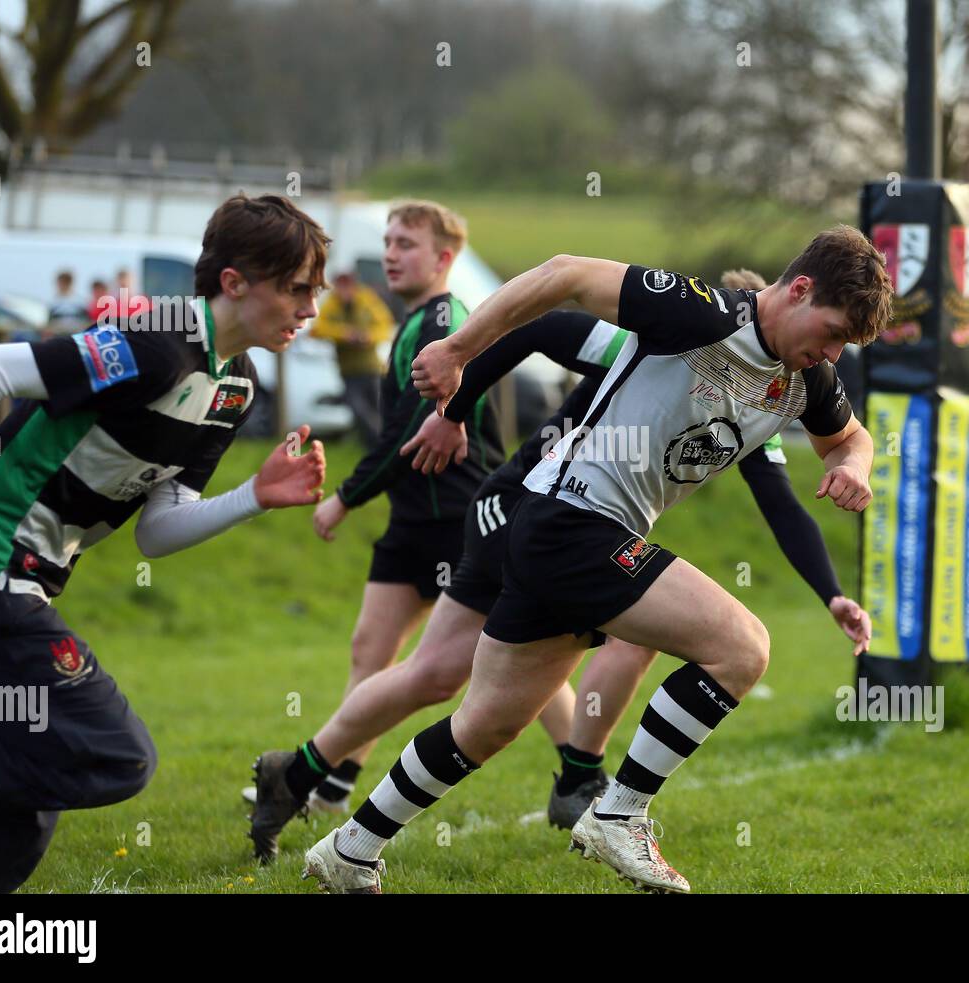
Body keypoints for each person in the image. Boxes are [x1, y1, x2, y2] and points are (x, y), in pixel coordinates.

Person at [298, 224, 892, 894]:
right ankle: (620, 813)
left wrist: (856, 466)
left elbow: (850, 437)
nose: (832, 351)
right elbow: (565, 271)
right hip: (571, 521)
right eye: (834, 330)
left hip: (564, 535)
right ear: (801, 289)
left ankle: (351, 847)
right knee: (742, 645)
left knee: (482, 726)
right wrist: (460, 350)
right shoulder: (699, 312)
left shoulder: (805, 378)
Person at [0, 193, 331, 893]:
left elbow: (156, 531)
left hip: (28, 579)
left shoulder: (233, 389)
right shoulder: (156, 342)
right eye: (296, 288)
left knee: (22, 814)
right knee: (111, 754)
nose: (311, 309)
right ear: (234, 283)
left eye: (316, 291)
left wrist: (255, 497)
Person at [246, 201, 508, 863]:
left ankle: (578, 772)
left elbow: (406, 437)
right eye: (387, 241)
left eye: (407, 243)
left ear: (445, 257)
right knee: (373, 649)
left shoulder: (445, 322)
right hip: (414, 520)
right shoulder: (415, 320)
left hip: (459, 517)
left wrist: (344, 498)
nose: (390, 253)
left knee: (506, 658)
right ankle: (328, 784)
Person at [310, 270, 396, 448]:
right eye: (340, 287)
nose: (344, 292)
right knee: (358, 409)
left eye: (347, 287)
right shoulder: (332, 304)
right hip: (348, 370)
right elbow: (317, 329)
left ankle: (379, 445)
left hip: (371, 368)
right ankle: (379, 444)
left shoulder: (367, 300)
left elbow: (385, 326)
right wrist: (343, 334)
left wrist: (367, 337)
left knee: (375, 408)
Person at [46, 270, 88, 336]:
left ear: (70, 283)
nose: (63, 285)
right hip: (57, 334)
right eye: (61, 282)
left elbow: (86, 320)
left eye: (65, 282)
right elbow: (49, 322)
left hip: (74, 334)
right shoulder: (53, 302)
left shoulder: (79, 301)